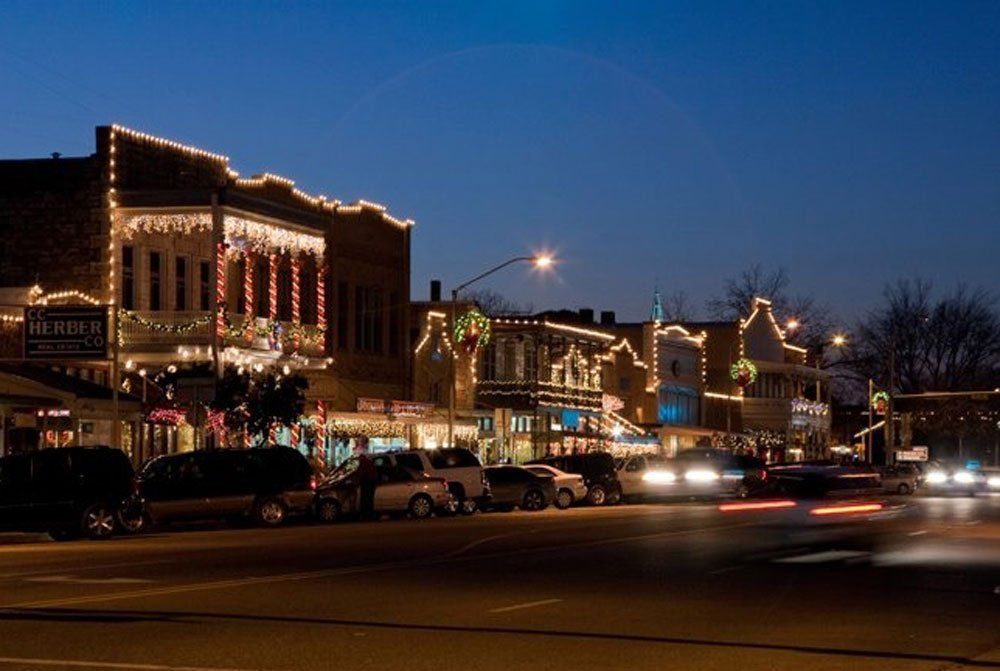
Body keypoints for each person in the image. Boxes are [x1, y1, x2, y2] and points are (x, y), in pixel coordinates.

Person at [356, 453, 378, 519]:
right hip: (371, 483)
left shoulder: (363, 464)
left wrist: (358, 480)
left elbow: (360, 473)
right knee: (369, 499)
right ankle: (369, 513)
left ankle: (365, 514)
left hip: (367, 483)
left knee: (365, 499)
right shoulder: (369, 463)